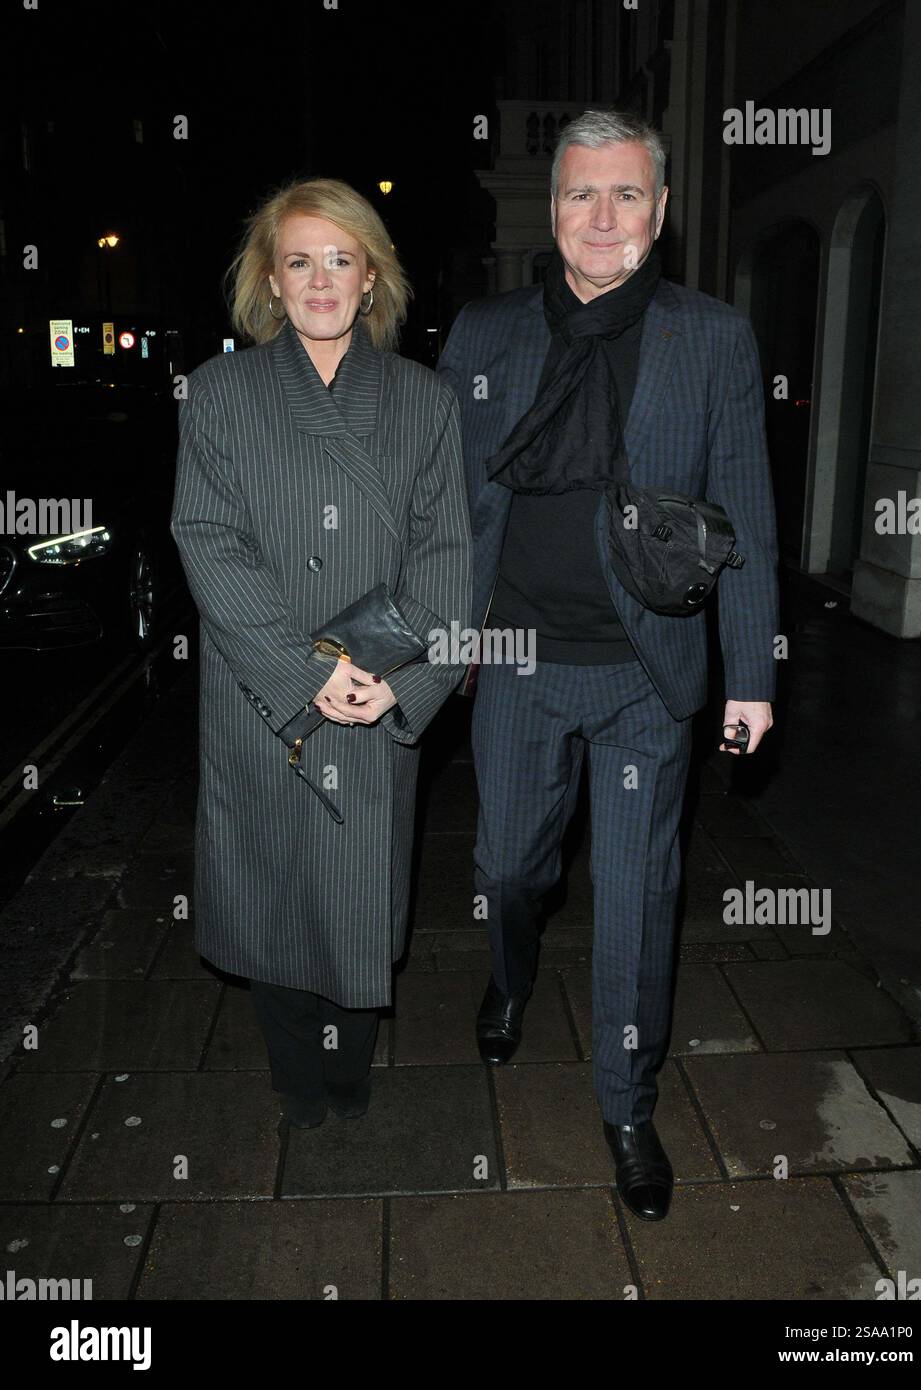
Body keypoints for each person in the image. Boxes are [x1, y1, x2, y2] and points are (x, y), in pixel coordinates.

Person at [437, 109, 778, 1221]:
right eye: (582, 193)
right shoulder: (484, 334)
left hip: (648, 667)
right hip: (516, 658)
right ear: (553, 208)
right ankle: (511, 966)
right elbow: (440, 514)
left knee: (639, 900)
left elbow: (750, 516)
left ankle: (627, 1105)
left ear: (662, 211)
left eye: (627, 194)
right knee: (506, 868)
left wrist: (752, 677)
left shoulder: (711, 337)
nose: (602, 216)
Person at [171, 178, 472, 1133]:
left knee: (353, 895)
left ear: (373, 277)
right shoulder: (220, 393)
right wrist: (308, 672)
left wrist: (396, 683)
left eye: (342, 258)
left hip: (377, 684)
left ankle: (350, 1074)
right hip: (269, 686)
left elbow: (448, 554)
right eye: (299, 259)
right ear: (269, 278)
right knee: (271, 889)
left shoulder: (425, 400)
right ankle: (300, 1078)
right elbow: (205, 537)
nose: (321, 278)